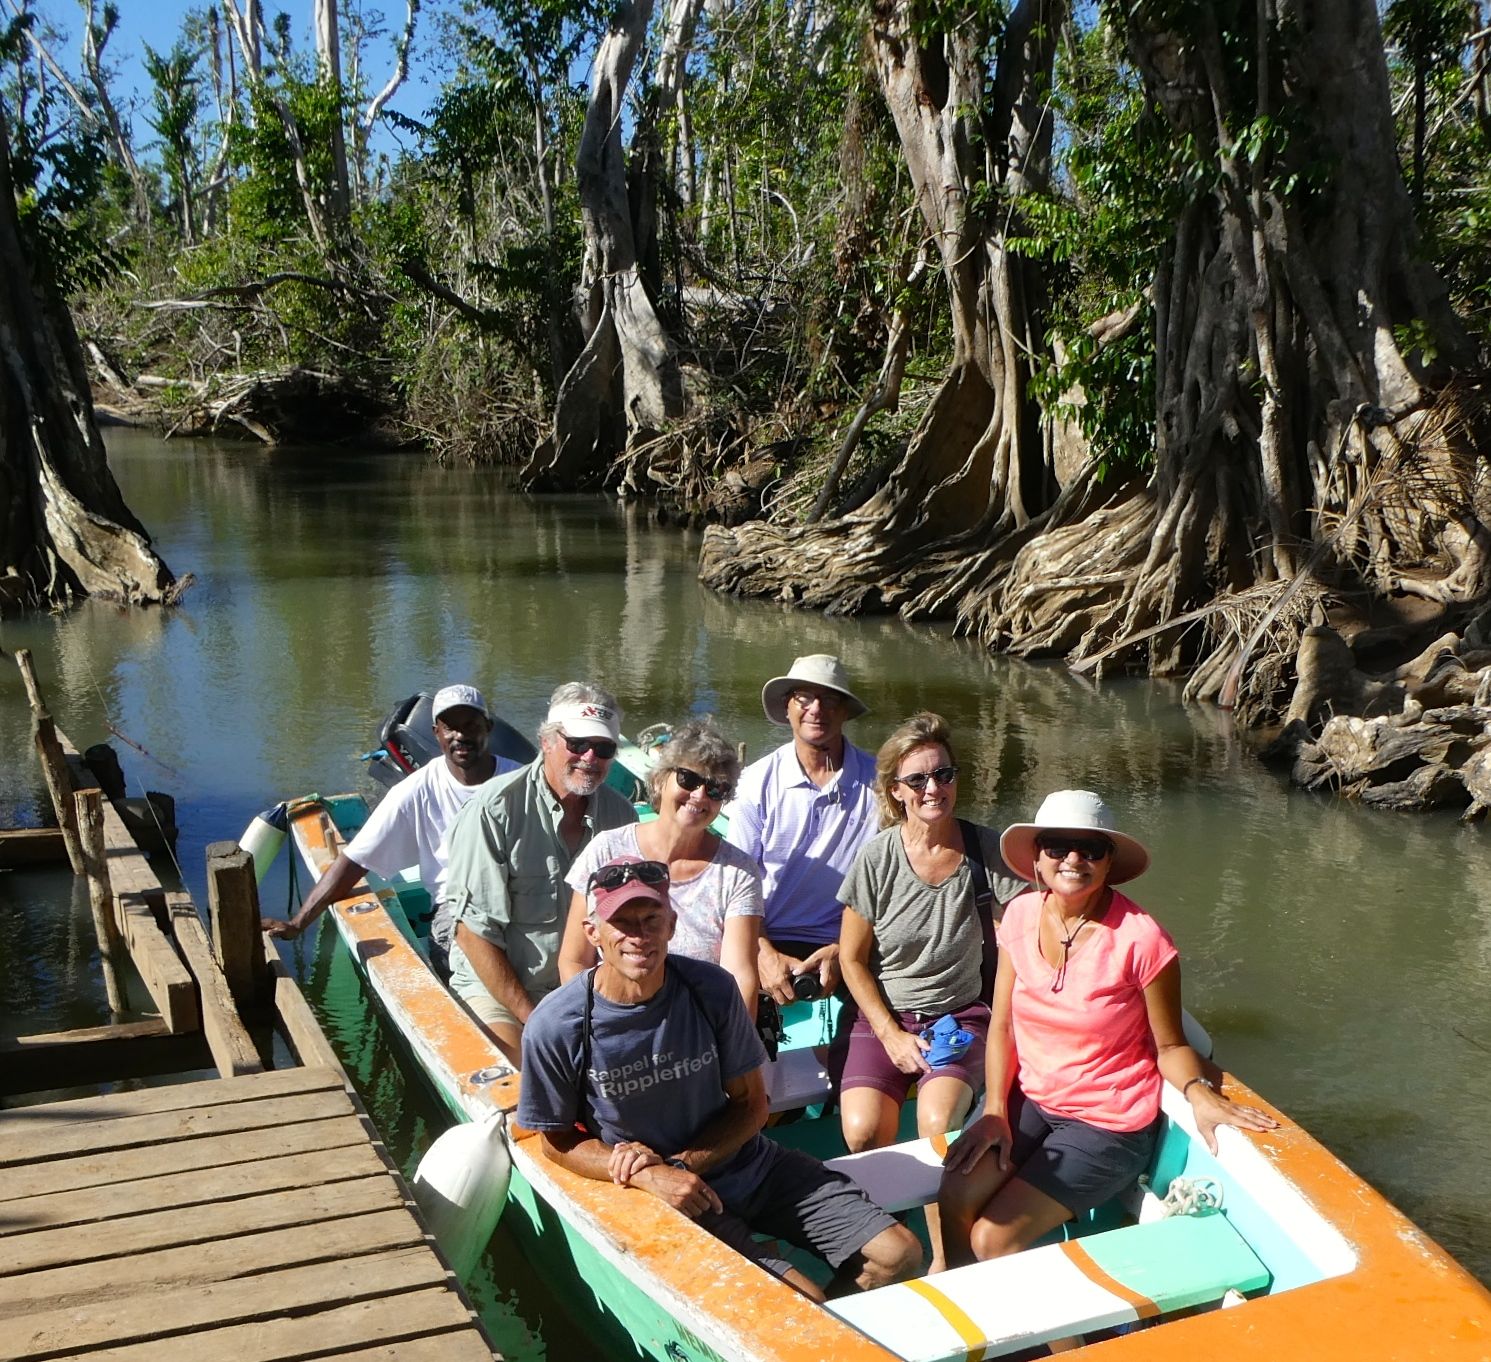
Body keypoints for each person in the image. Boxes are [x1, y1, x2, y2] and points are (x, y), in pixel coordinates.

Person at [518, 854, 923, 1300]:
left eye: (651, 919)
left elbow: (752, 1105)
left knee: (897, 1253)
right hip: (662, 1197)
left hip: (748, 1165)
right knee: (806, 1302)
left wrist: (677, 1167)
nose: (639, 936)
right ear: (592, 933)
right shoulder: (557, 1024)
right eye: (622, 923)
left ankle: (816, 1324)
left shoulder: (710, 988)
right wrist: (646, 1177)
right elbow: (555, 1140)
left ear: (672, 924)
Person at [938, 789, 1279, 1276]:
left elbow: (1170, 1045)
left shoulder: (1143, 939)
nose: (1073, 860)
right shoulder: (1019, 914)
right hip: (1032, 1098)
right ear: (1037, 857)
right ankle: (962, 1302)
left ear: (1108, 861)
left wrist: (1200, 1092)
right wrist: (994, 1109)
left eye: (1091, 849)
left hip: (1107, 1123)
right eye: (1057, 846)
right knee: (955, 1193)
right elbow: (1004, 1022)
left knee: (993, 1239)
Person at [837, 712, 1024, 1271]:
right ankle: (885, 1251)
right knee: (862, 1133)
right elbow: (851, 958)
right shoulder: (877, 857)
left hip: (960, 1015)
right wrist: (891, 1034)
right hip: (887, 1016)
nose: (932, 789)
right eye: (917, 779)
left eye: (943, 774)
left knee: (938, 1127)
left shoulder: (985, 851)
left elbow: (1020, 942)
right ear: (896, 791)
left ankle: (944, 1262)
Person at [262, 684, 518, 979]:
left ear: (488, 727)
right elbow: (354, 861)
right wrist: (298, 923)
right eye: (450, 727)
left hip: (519, 898)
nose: (460, 736)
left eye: (470, 725)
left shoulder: (521, 781)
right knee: (476, 967)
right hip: (457, 906)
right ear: (436, 732)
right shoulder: (417, 788)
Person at [443, 682, 638, 1067]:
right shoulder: (493, 809)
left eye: (603, 748)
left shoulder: (623, 818)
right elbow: (471, 933)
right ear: (547, 741)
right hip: (502, 993)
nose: (589, 757)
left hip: (584, 988)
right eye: (577, 743)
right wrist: (537, 1019)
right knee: (522, 1073)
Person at [557, 716, 762, 1016]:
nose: (699, 795)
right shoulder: (606, 849)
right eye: (688, 779)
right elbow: (575, 959)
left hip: (697, 1022)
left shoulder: (738, 871)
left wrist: (732, 1040)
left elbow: (739, 976)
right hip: (611, 1015)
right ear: (659, 780)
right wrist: (593, 1026)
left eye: (716, 788)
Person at [725, 654, 879, 1007]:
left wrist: (845, 950)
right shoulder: (757, 782)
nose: (816, 709)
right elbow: (736, 882)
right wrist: (762, 952)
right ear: (787, 707)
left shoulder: (880, 783)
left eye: (829, 699)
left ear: (845, 711)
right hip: (766, 932)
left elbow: (892, 880)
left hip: (851, 939)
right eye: (804, 698)